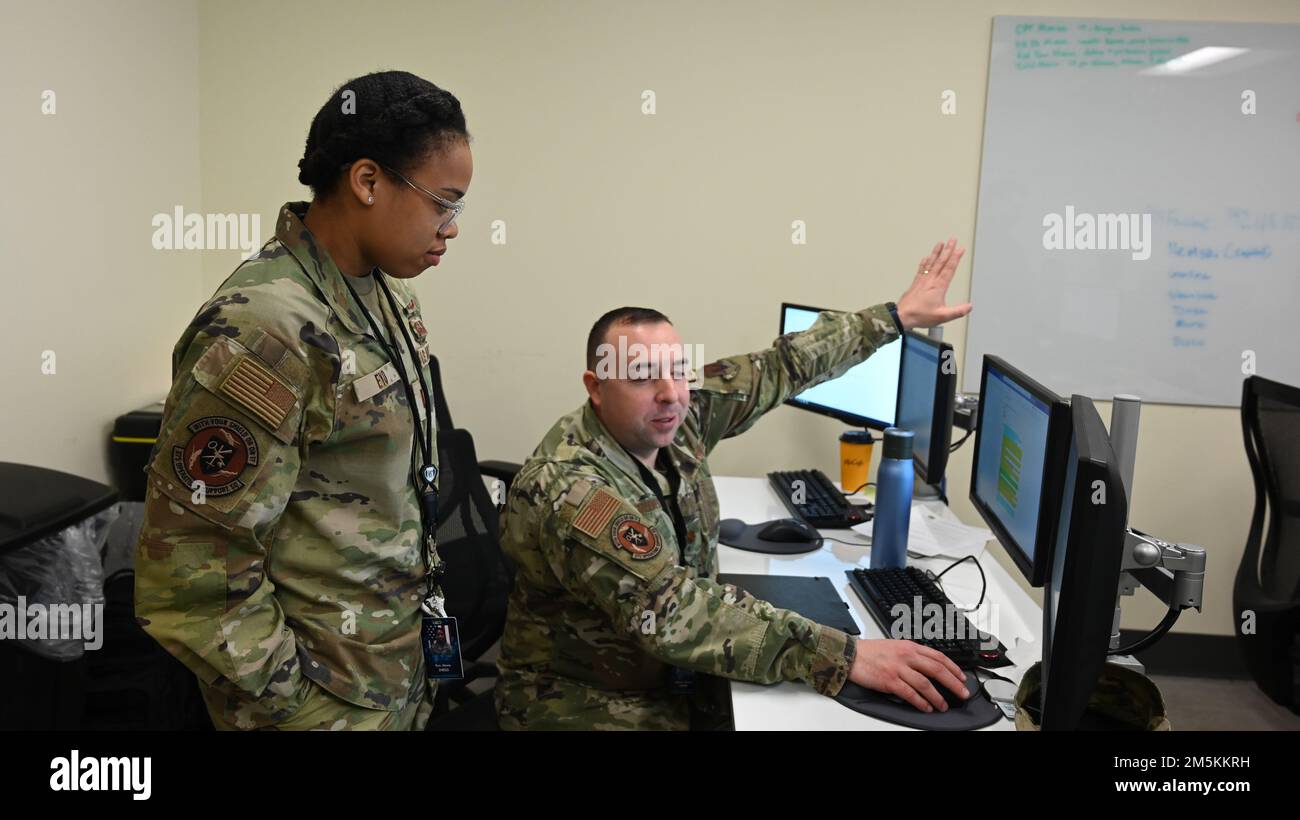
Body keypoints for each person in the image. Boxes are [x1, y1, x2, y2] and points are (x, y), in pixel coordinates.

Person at [496, 239, 973, 730]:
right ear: (595, 386)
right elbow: (672, 612)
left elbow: (780, 366)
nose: (670, 394)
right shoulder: (572, 489)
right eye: (642, 377)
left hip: (670, 674)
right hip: (581, 701)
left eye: (679, 371)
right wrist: (844, 655)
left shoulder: (677, 417)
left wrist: (893, 318)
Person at [134, 70, 472, 730]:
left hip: (391, 670)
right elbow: (193, 577)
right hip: (321, 700)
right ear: (368, 181)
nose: (452, 228)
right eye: (443, 202)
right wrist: (296, 708)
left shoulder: (387, 296)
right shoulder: (267, 330)